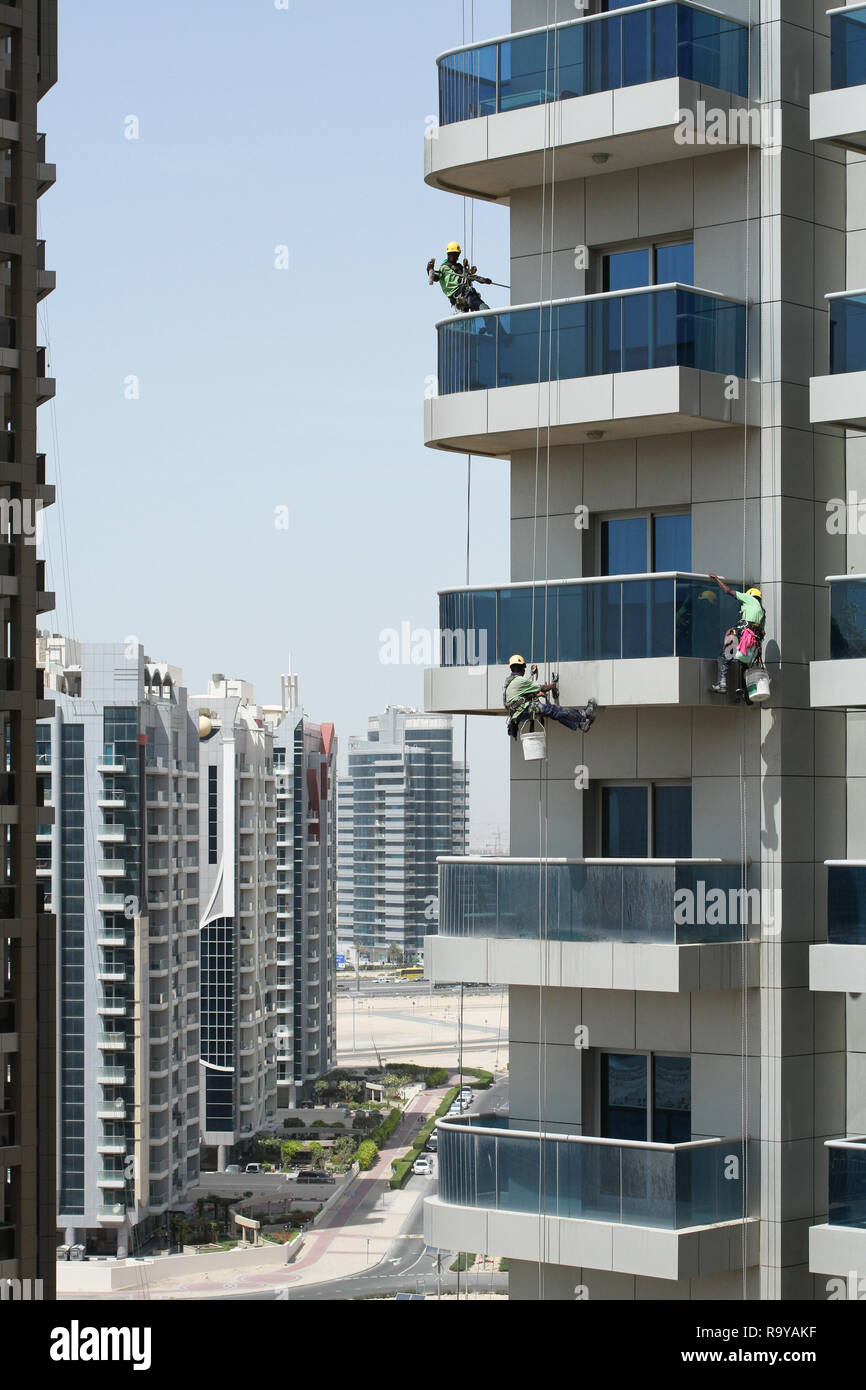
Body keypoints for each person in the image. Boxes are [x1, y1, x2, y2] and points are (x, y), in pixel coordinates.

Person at [503, 654, 598, 737]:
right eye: (524, 668)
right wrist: (552, 685)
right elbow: (543, 687)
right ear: (521, 668)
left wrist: (537, 694)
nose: (524, 670)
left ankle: (581, 724)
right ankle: (583, 715)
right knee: (555, 710)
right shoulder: (520, 680)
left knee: (555, 714)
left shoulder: (510, 682)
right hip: (524, 710)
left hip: (519, 713)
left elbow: (520, 697)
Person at [706, 574, 766, 694]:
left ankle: (722, 683)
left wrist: (717, 579)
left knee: (724, 657)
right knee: (743, 663)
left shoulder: (749, 599)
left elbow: (728, 591)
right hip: (752, 645)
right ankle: (746, 691)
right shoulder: (762, 612)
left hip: (742, 638)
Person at [427, 240, 492, 312]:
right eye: (452, 254)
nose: (455, 256)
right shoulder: (443, 268)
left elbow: (470, 277)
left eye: (456, 254)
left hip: (463, 292)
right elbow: (435, 278)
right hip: (456, 295)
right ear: (448, 254)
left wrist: (483, 280)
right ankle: (487, 313)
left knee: (472, 297)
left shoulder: (459, 267)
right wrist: (430, 269)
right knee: (472, 298)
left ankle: (483, 312)